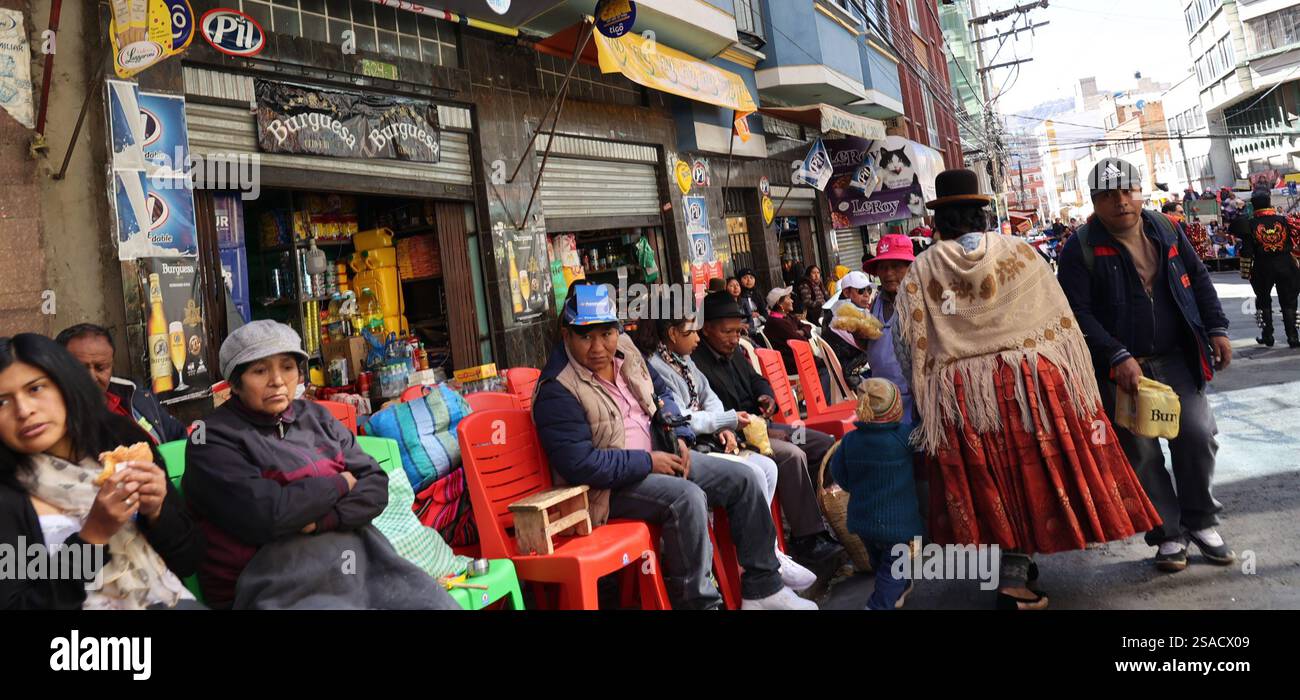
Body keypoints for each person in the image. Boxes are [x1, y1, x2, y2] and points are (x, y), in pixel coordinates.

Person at [896, 167, 1162, 609]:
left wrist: (926, 394)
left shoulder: (921, 269)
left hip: (964, 395)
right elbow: (1057, 320)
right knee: (1032, 473)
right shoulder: (1019, 252)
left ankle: (1013, 572)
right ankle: (1014, 578)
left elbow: (908, 344)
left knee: (992, 481)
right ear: (981, 213)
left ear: (940, 221)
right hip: (1032, 385)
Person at [532, 285, 815, 609]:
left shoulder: (625, 350)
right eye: (586, 337)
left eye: (606, 333)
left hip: (662, 454)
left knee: (745, 478)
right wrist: (648, 462)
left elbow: (662, 392)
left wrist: (678, 433)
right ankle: (701, 603)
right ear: (567, 334)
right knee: (687, 498)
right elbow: (581, 464)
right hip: (607, 490)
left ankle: (763, 591)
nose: (599, 348)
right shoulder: (557, 388)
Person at [184, 320, 456, 609]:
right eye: (260, 371)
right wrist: (340, 483)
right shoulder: (212, 439)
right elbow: (271, 513)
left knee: (431, 603)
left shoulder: (314, 417)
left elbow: (375, 484)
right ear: (235, 383)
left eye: (287, 367)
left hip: (359, 559)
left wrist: (321, 519)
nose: (277, 380)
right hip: (277, 581)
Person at [1057, 157, 1235, 574]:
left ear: (1139, 193)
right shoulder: (1079, 247)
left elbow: (1199, 278)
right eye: (1108, 195)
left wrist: (1218, 328)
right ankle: (1168, 533)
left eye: (1127, 192)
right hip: (1121, 371)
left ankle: (1201, 520)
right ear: (1094, 202)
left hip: (1176, 358)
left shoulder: (1166, 229)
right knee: (1141, 454)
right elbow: (1075, 313)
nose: (1120, 202)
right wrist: (1116, 355)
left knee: (1196, 434)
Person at [0, 334, 203, 610]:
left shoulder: (122, 440)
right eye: (2, 402)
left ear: (65, 385)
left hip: (168, 599)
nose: (24, 411)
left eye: (35, 389)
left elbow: (187, 559)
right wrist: (93, 536)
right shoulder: (8, 494)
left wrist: (157, 512)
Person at [632, 310, 817, 593]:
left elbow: (710, 399)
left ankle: (768, 553)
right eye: (691, 332)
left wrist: (723, 424)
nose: (696, 339)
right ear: (671, 334)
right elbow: (679, 417)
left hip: (712, 437)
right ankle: (757, 562)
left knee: (767, 467)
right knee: (751, 473)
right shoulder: (655, 367)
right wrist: (724, 422)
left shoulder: (685, 361)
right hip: (688, 446)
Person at [691, 291, 842, 570]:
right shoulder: (697, 362)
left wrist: (766, 396)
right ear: (706, 328)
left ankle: (826, 521)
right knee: (791, 455)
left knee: (823, 443)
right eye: (727, 332)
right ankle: (806, 537)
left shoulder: (735, 351)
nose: (735, 338)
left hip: (768, 426)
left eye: (738, 331)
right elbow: (712, 415)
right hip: (740, 437)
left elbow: (757, 380)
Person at [829, 378, 922, 610]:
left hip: (863, 522)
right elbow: (923, 433)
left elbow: (838, 474)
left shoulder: (849, 440)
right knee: (893, 568)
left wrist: (857, 487)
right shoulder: (903, 437)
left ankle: (899, 588)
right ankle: (877, 605)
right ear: (896, 407)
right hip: (896, 525)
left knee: (881, 563)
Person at [55, 324, 188, 445]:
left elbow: (178, 435)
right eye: (80, 368)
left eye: (101, 368)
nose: (92, 378)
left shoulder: (136, 396)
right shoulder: (54, 421)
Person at [861, 233, 917, 420]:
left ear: (910, 268)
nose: (888, 273)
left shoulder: (918, 301)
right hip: (882, 399)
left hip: (914, 398)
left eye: (895, 266)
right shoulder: (875, 302)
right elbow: (872, 346)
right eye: (883, 268)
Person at [1236, 192, 1300, 348]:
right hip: (1286, 264)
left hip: (1262, 267)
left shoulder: (1249, 224)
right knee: (1289, 301)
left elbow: (1247, 251)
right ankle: (1293, 337)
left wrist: (1245, 269)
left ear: (1253, 205)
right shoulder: (1284, 221)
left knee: (1263, 300)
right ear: (1269, 203)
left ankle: (1268, 335)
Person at [820, 270, 876, 386]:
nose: (867, 295)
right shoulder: (845, 313)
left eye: (869, 290)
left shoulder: (839, 306)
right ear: (846, 292)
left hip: (845, 367)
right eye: (861, 291)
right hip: (849, 375)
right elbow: (872, 342)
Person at [735, 268, 765, 334]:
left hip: (759, 324)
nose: (749, 280)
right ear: (739, 280)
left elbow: (764, 310)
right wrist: (750, 315)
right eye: (745, 278)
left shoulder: (757, 293)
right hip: (746, 327)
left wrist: (760, 316)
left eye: (751, 278)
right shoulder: (738, 294)